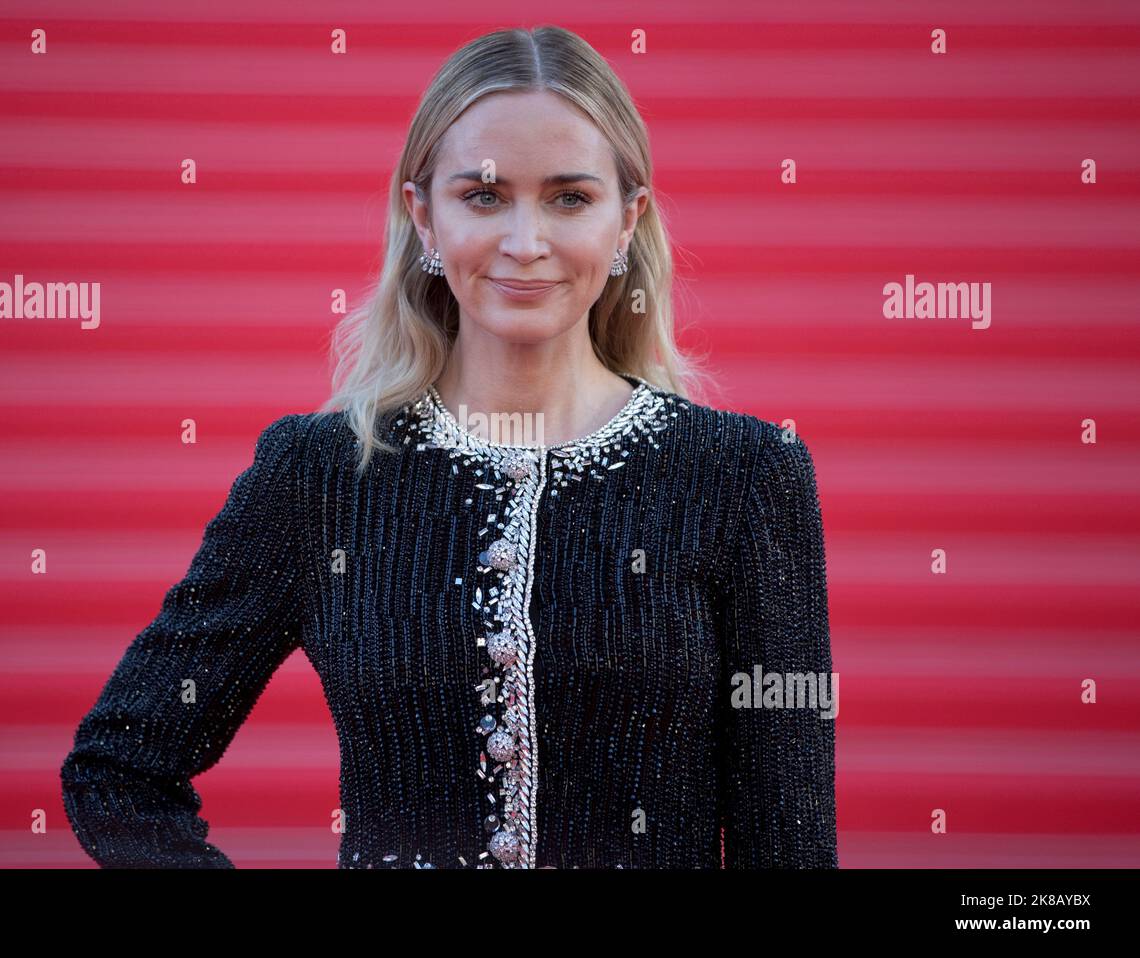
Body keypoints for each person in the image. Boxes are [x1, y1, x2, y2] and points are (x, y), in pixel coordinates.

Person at [60, 24, 837, 869]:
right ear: (422, 214)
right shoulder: (319, 476)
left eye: (571, 198)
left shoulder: (743, 476)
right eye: (485, 196)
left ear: (627, 223)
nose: (526, 242)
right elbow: (118, 771)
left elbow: (789, 845)